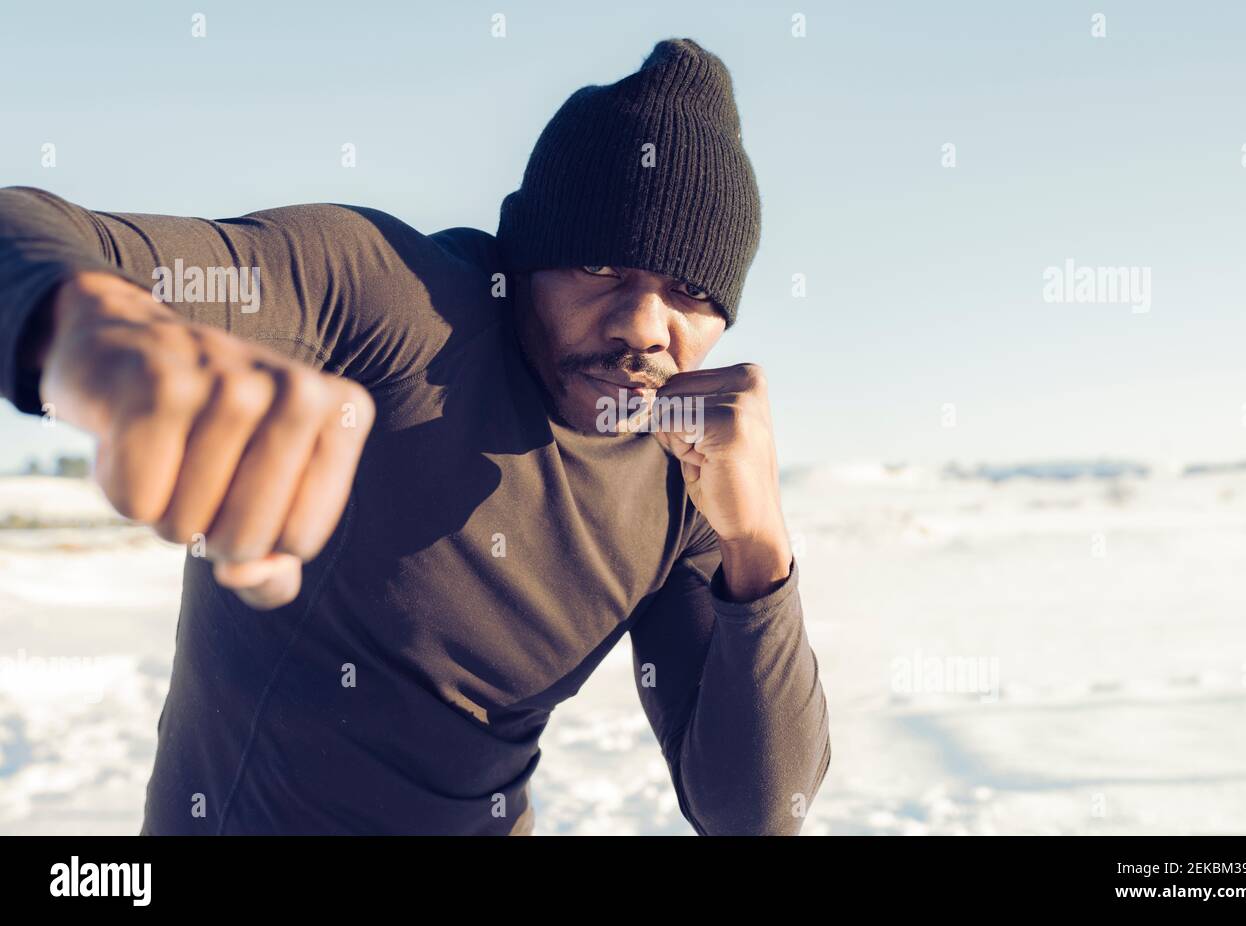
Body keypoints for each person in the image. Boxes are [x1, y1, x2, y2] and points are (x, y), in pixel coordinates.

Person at [0, 37, 831, 835]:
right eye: (602, 269)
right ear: (527, 255)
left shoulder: (684, 473)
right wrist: (100, 332)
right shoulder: (392, 304)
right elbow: (30, 228)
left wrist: (757, 545)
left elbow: (754, 816)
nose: (643, 327)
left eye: (688, 291)